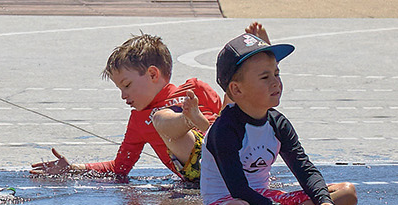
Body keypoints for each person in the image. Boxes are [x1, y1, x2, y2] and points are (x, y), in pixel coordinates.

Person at [30, 29, 255, 183]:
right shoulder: (138, 120)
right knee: (165, 123)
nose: (123, 96)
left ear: (153, 74)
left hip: (234, 150)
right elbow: (119, 167)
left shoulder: (194, 88)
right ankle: (188, 121)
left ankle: (254, 62)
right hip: (203, 163)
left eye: (126, 85)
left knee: (232, 105)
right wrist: (73, 168)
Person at [201, 30, 359, 205]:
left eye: (277, 74)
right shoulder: (225, 129)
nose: (275, 82)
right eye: (265, 77)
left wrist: (323, 202)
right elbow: (239, 189)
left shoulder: (277, 123)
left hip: (267, 203)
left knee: (347, 192)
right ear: (236, 90)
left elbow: (304, 168)